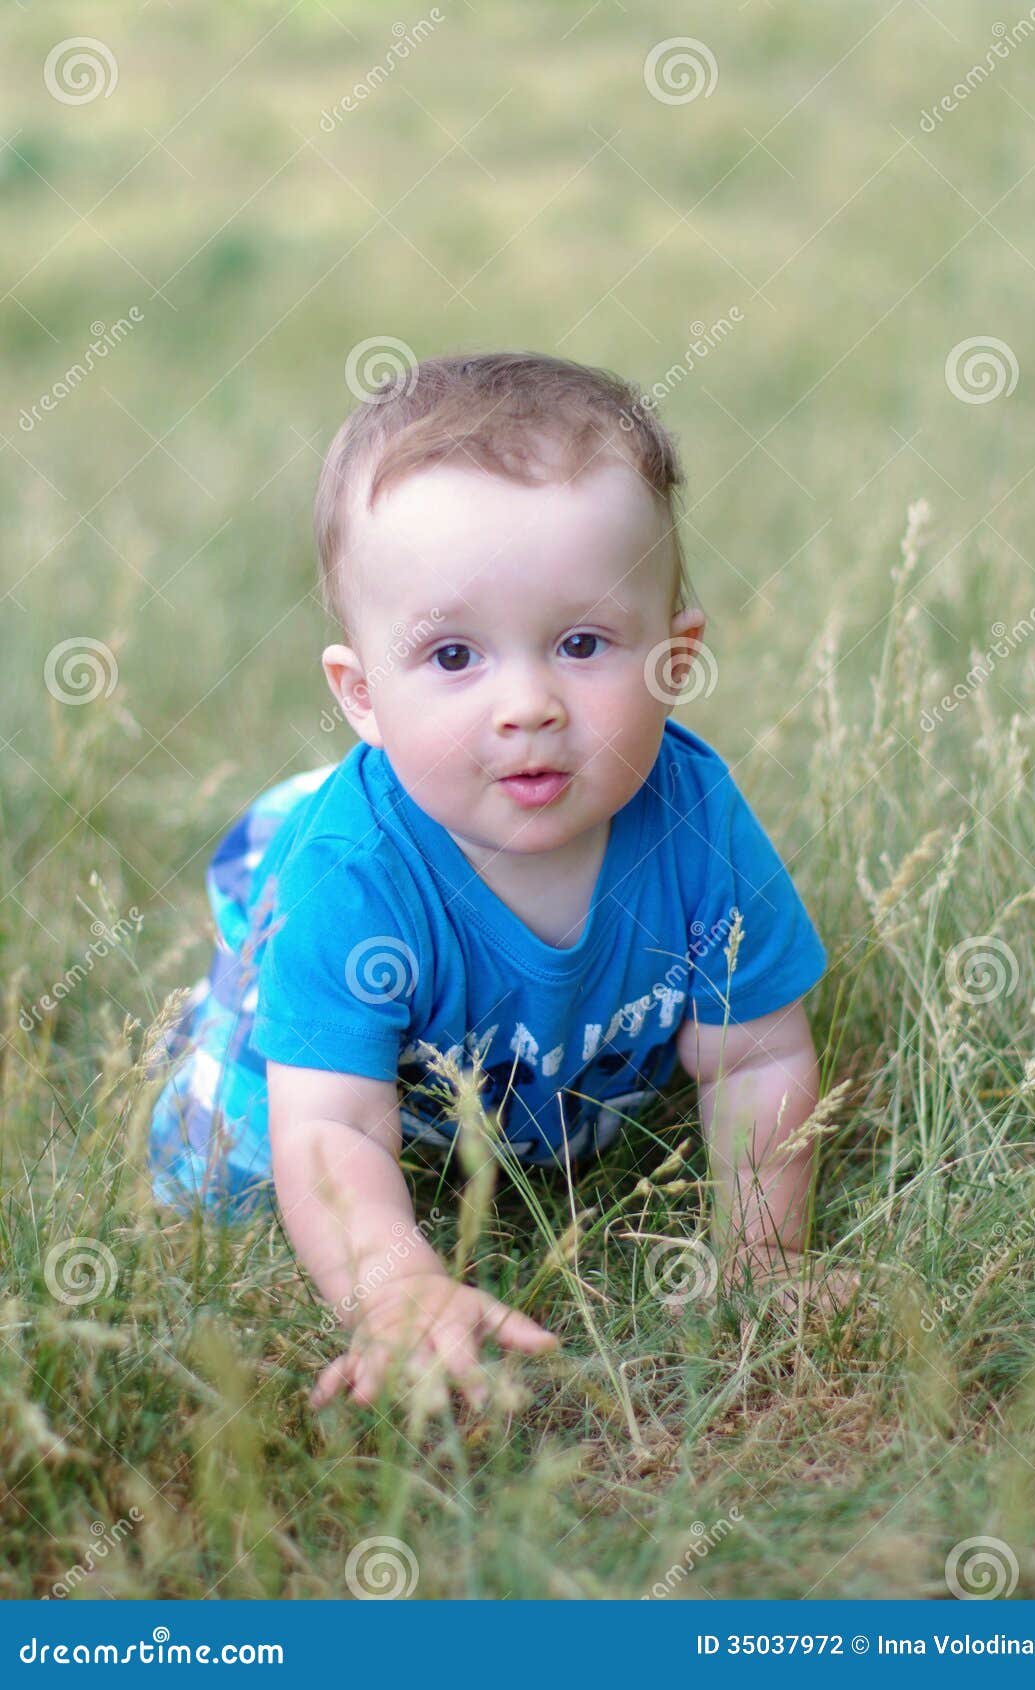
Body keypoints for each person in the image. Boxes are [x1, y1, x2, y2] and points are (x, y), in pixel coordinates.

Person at [148, 349, 845, 1412]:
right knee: (223, 1171)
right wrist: (395, 1286)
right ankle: (245, 983)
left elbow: (754, 1053)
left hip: (544, 1052)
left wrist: (761, 1255)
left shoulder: (694, 823)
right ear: (363, 695)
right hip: (338, 946)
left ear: (674, 654)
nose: (527, 704)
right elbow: (332, 1130)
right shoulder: (353, 877)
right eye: (453, 657)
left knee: (579, 1130)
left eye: (580, 641)